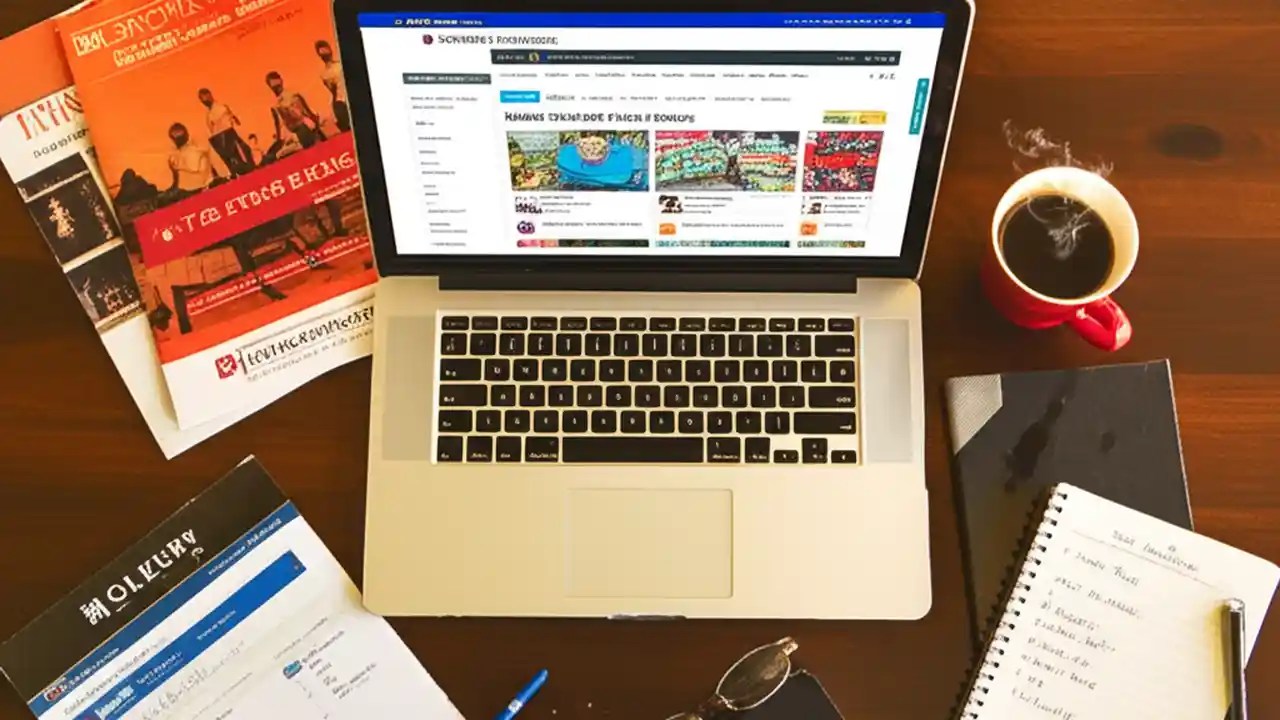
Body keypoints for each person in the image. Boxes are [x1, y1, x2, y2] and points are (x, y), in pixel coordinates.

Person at [199, 88, 253, 176]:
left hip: (229, 139)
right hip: (220, 144)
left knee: (241, 163)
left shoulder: (221, 108)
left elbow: (231, 125)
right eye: (202, 99)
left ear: (209, 95)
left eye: (205, 97)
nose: (204, 100)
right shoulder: (209, 114)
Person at [267, 71, 324, 149]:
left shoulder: (293, 94)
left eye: (278, 85)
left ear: (281, 81)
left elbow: (307, 109)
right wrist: (279, 140)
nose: (277, 88)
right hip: (296, 131)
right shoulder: (275, 105)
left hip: (306, 125)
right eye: (275, 87)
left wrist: (314, 119)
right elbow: (277, 124)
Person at [166, 122, 219, 197]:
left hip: (192, 192)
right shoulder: (200, 150)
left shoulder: (174, 159)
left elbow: (176, 182)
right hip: (207, 188)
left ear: (173, 140)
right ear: (187, 136)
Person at [315, 40, 350, 133]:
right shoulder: (324, 74)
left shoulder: (341, 63)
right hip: (341, 101)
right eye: (322, 51)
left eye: (326, 49)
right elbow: (332, 90)